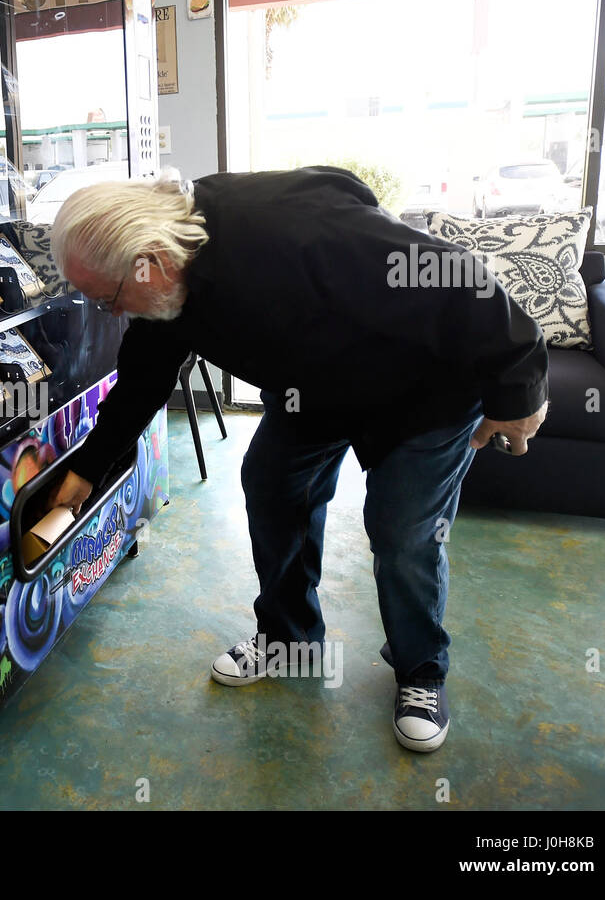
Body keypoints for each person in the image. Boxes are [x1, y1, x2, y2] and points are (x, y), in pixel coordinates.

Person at [45, 166, 549, 752]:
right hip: (316, 391)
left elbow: (460, 280)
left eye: (106, 298)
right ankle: (289, 642)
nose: (107, 313)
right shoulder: (166, 291)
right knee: (272, 484)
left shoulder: (296, 229)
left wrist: (519, 387)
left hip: (424, 390)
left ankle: (420, 671)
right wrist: (89, 466)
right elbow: (143, 379)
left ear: (149, 259)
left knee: (402, 530)